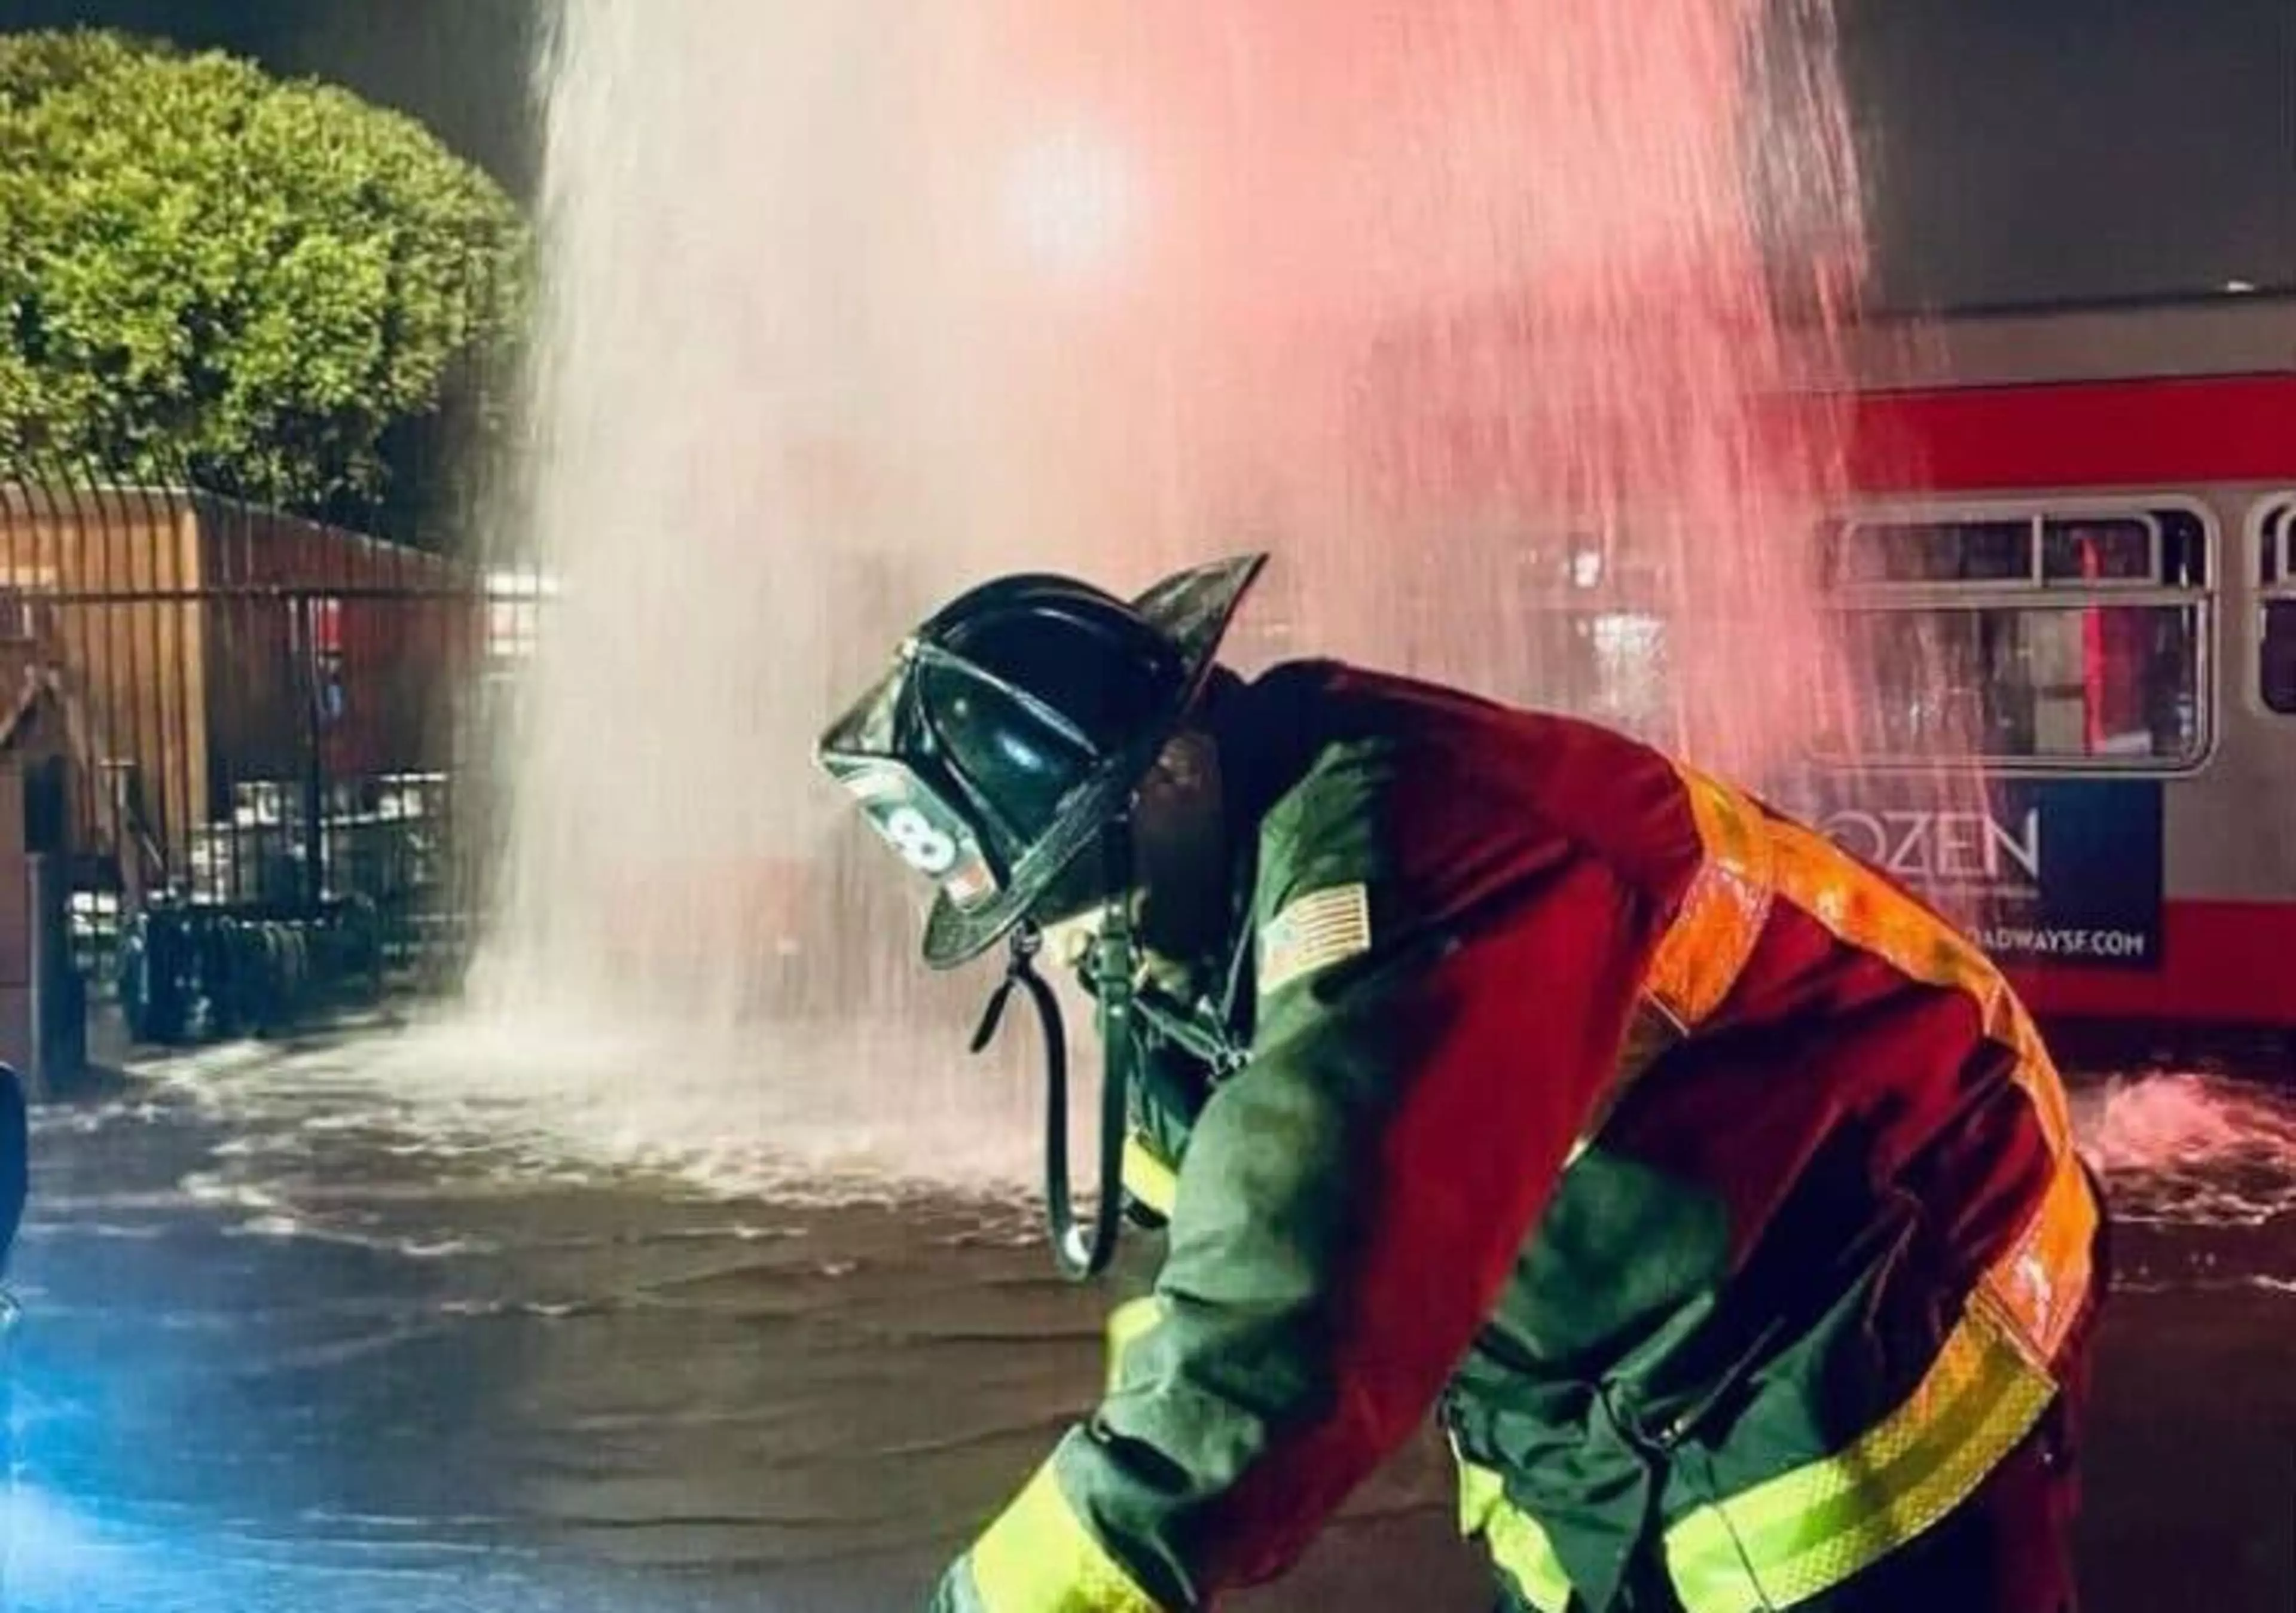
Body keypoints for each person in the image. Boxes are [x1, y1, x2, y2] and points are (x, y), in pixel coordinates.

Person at [815, 554, 2104, 1613]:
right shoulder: (1189, 937)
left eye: (1069, 895)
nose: (1071, 944)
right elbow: (1206, 1292)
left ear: (1167, 783)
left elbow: (1289, 1319)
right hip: (1619, 1363)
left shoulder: (1415, 854)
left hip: (1862, 1321)